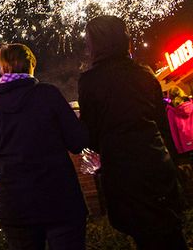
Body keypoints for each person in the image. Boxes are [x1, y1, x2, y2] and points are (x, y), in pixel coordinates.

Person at [78, 16, 186, 250]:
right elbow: (161, 119)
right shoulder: (144, 74)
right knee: (170, 232)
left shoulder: (89, 81)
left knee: (144, 236)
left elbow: (90, 131)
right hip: (155, 160)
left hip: (121, 168)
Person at [0, 44, 89, 250]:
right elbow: (77, 142)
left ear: (3, 69)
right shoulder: (48, 95)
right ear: (31, 65)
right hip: (60, 201)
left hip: (16, 206)